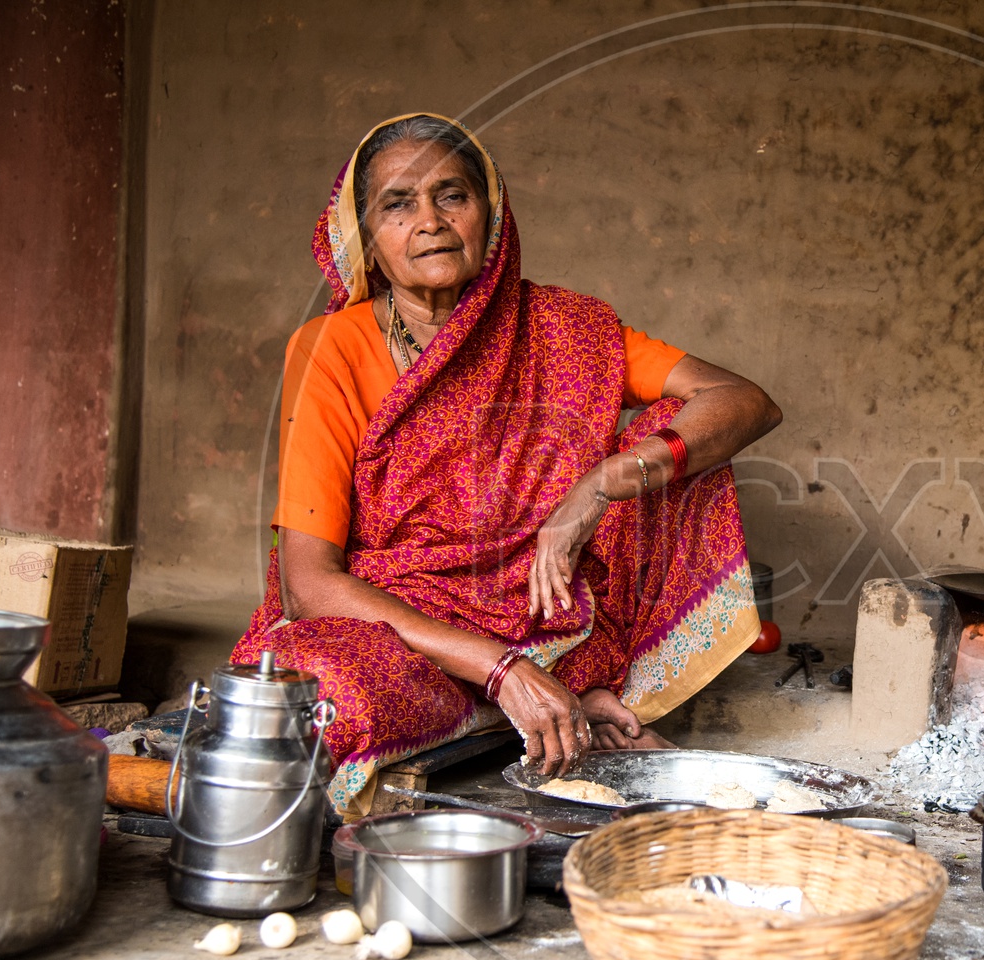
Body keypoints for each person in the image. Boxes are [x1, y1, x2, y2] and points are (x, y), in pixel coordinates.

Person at [230, 114, 781, 815]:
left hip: (552, 615)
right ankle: (549, 702)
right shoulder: (332, 347)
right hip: (407, 631)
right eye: (397, 205)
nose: (428, 221)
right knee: (319, 692)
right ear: (367, 237)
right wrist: (501, 670)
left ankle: (568, 693)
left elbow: (744, 402)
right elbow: (309, 584)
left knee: (678, 439)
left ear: (492, 215)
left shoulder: (567, 328)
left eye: (451, 195)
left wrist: (602, 483)